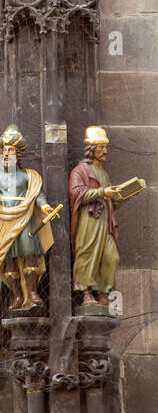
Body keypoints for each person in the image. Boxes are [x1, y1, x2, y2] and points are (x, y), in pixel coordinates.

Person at [0, 125, 55, 310]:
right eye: (4, 151)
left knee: (29, 254)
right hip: (5, 220)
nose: (6, 154)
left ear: (18, 153)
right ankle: (17, 296)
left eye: (10, 150)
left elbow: (37, 194)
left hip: (24, 218)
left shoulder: (28, 176)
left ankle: (32, 292)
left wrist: (44, 206)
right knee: (8, 258)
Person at [69, 125, 139, 307]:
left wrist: (125, 196)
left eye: (105, 147)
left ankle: (103, 293)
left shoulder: (105, 174)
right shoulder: (80, 171)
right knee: (87, 254)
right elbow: (77, 193)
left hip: (105, 222)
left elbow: (111, 202)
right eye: (101, 147)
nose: (104, 151)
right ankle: (86, 293)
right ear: (91, 150)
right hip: (89, 221)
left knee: (111, 257)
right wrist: (102, 192)